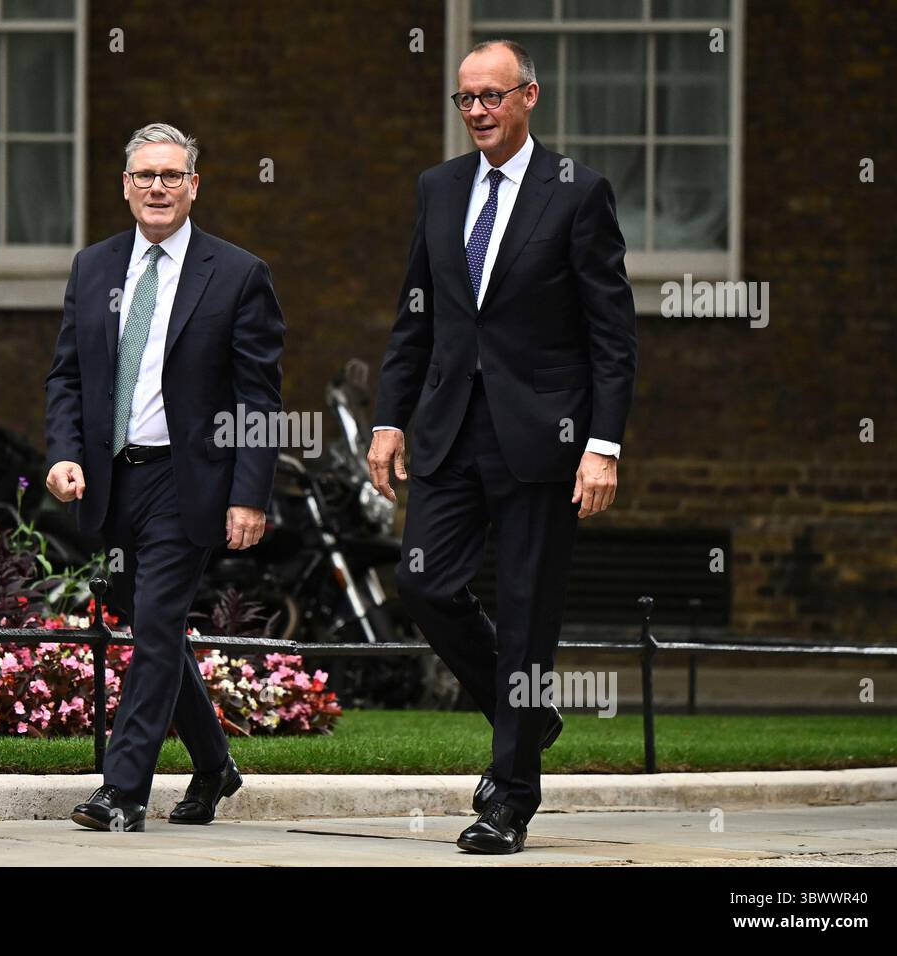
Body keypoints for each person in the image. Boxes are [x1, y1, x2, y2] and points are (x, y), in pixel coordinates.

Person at [368, 40, 637, 854]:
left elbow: (612, 336)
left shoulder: (578, 194)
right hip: (448, 432)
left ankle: (510, 798)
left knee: (526, 622)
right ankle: (532, 717)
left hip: (543, 442)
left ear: (529, 96)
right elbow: (418, 314)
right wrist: (389, 419)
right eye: (465, 99)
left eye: (492, 96)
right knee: (423, 585)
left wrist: (602, 446)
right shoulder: (439, 189)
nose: (478, 110)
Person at [44, 122, 285, 832]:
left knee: (154, 629)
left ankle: (122, 791)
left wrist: (249, 493)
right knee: (155, 631)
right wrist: (63, 452)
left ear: (193, 186)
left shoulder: (238, 273)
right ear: (125, 185)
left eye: (171, 176)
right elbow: (67, 375)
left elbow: (259, 399)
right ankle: (214, 765)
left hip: (189, 481)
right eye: (145, 175)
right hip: (112, 480)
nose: (157, 187)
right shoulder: (93, 267)